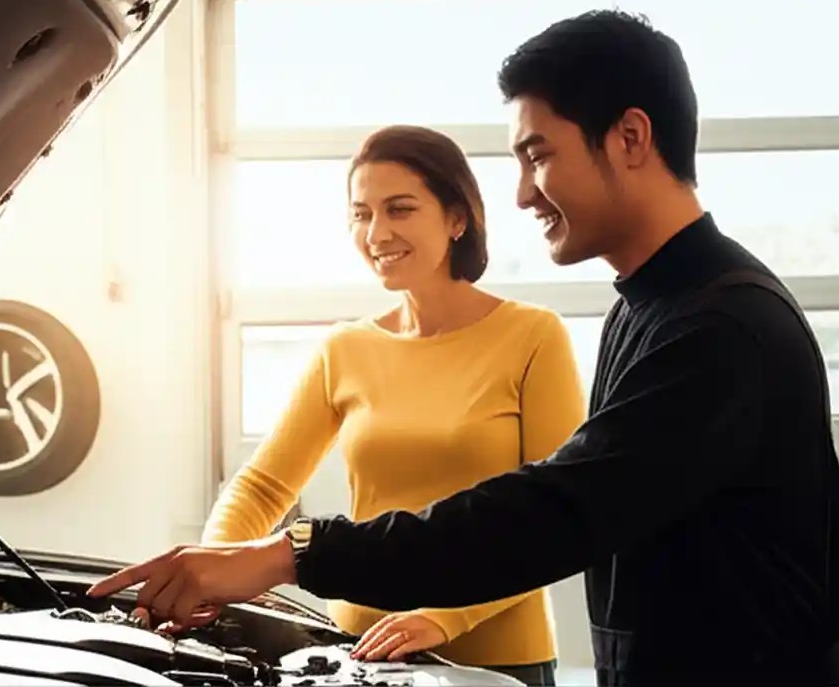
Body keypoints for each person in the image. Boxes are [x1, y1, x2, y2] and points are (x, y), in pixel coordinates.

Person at [89, 10, 839, 687]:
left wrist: (292, 553)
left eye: (539, 154)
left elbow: (548, 515)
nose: (523, 192)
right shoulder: (654, 306)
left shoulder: (718, 327)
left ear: (630, 137)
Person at [200, 124, 585, 684]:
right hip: (358, 654)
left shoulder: (533, 336)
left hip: (497, 660)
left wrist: (443, 619)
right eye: (362, 214)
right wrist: (215, 573)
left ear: (458, 218)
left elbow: (556, 521)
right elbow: (262, 488)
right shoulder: (345, 348)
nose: (377, 232)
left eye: (400, 209)